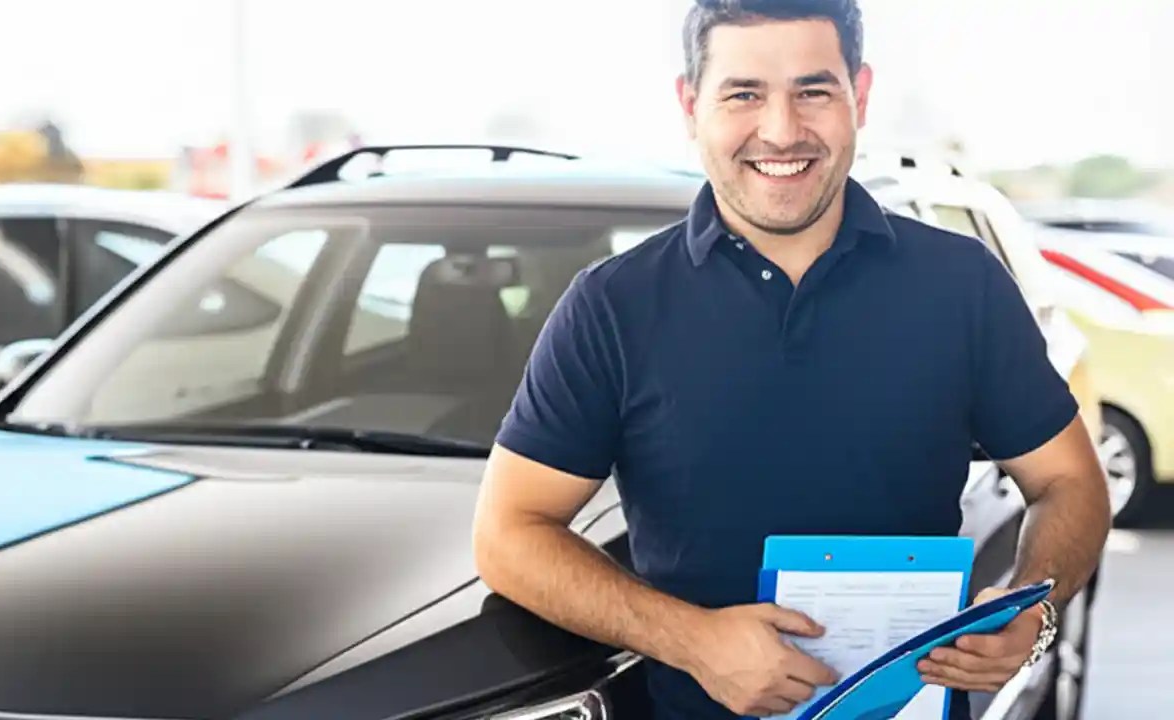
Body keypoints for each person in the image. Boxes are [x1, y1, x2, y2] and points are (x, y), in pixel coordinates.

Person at [471, 1, 1112, 718]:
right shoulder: (613, 306)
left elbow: (1070, 482)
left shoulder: (962, 285)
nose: (781, 130)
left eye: (813, 91)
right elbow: (508, 533)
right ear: (691, 105)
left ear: (859, 97)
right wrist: (693, 641)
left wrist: (1036, 607)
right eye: (744, 93)